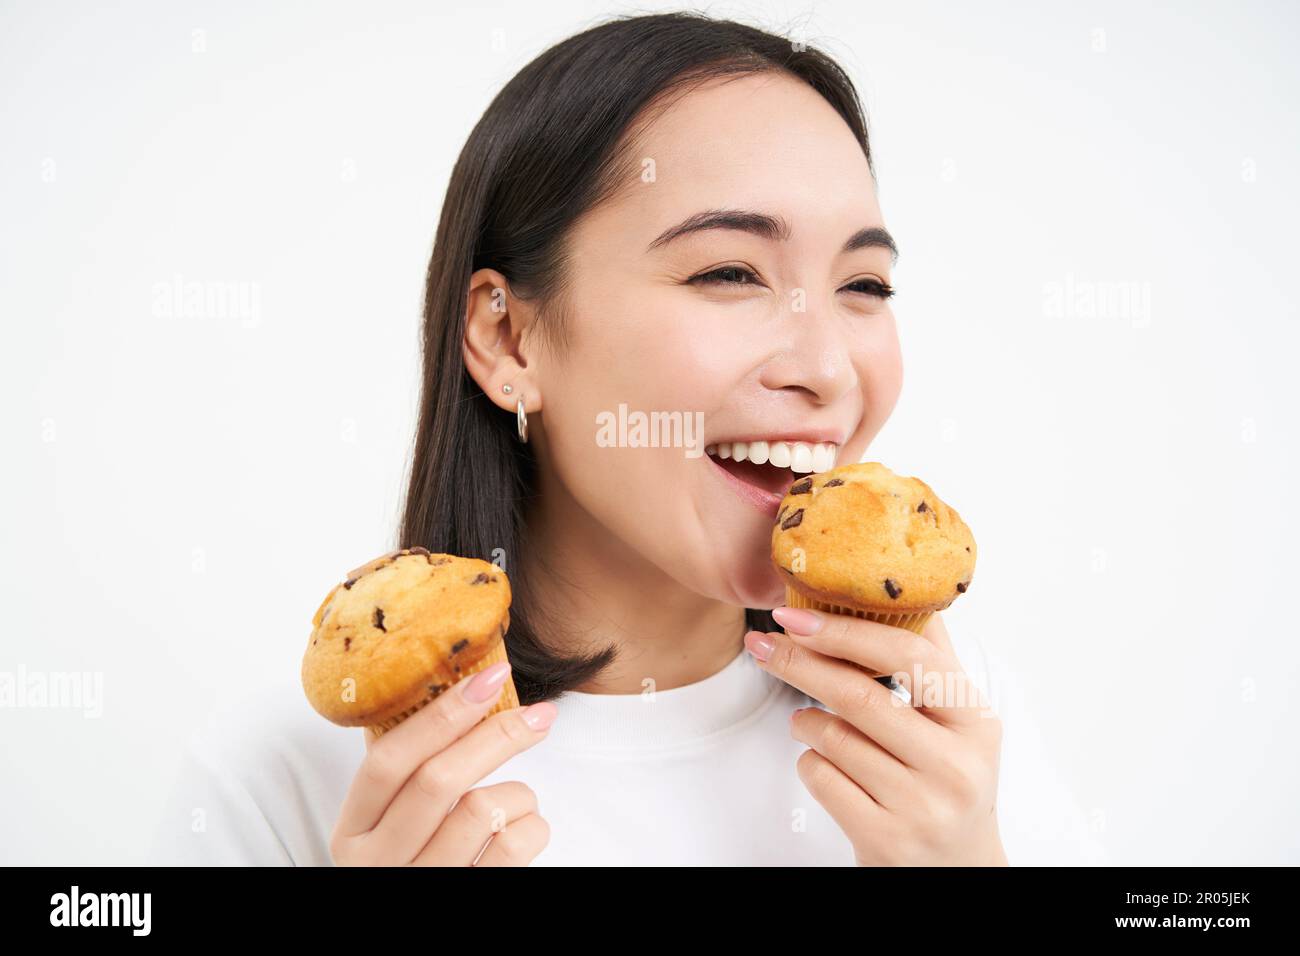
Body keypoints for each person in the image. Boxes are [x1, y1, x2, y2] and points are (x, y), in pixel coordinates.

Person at [150, 11, 1110, 867]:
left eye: (865, 286)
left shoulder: (954, 725)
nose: (827, 367)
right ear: (508, 337)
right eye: (730, 271)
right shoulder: (292, 775)